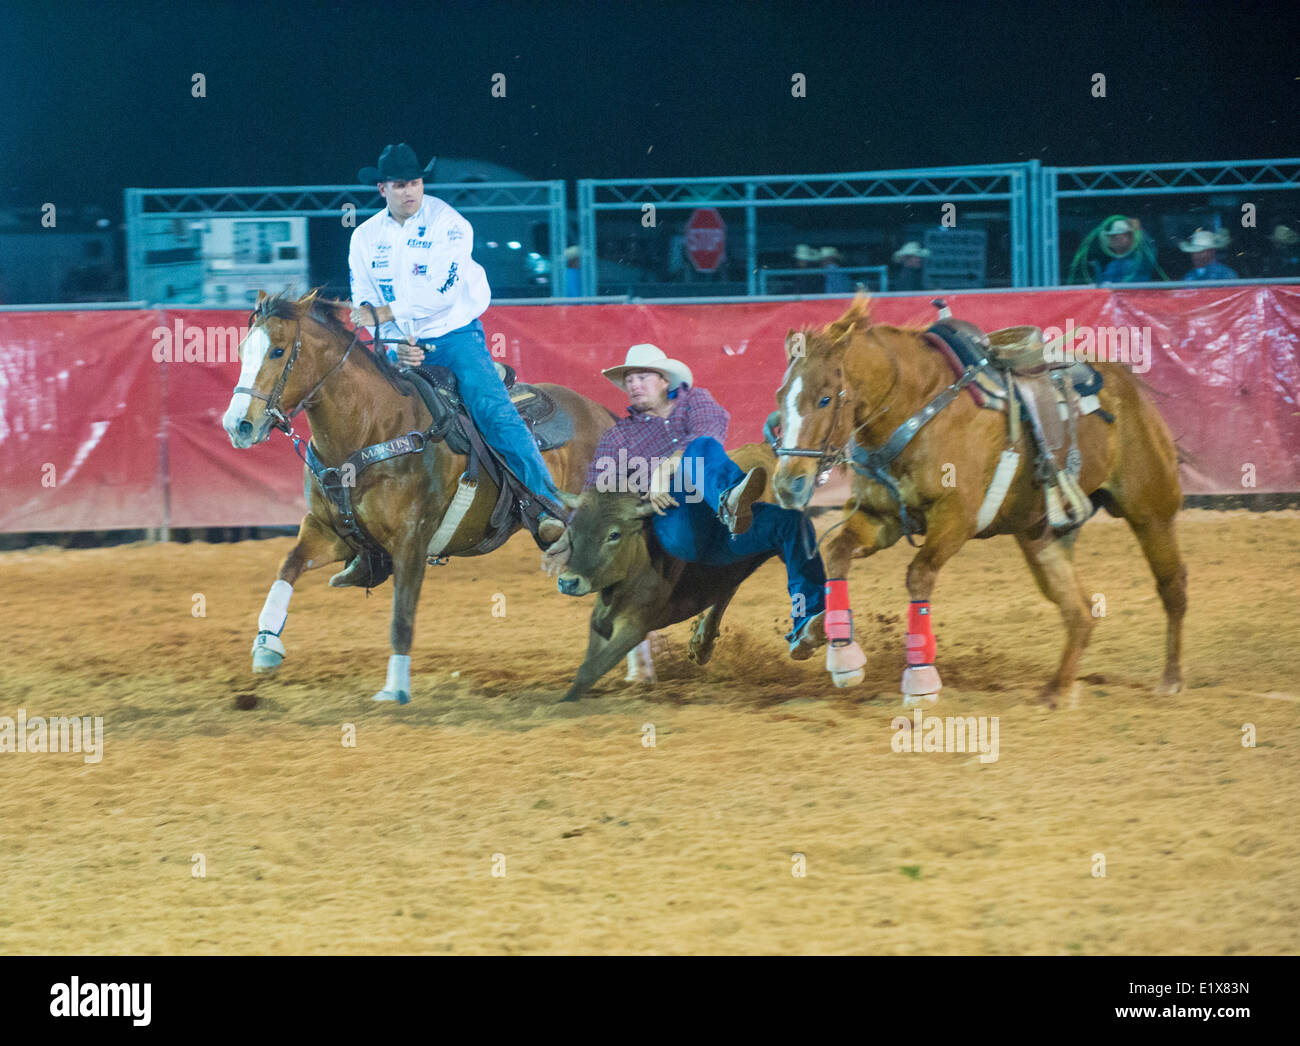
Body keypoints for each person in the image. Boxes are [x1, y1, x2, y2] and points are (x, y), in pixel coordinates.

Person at [343, 143, 566, 586]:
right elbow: (362, 303)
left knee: (492, 409)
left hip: (454, 336)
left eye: (416, 182)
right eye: (401, 185)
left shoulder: (450, 225)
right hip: (400, 344)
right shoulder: (364, 238)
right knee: (364, 418)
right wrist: (391, 343)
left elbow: (442, 294)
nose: (411, 192)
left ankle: (548, 505)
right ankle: (369, 537)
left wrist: (385, 316)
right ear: (382, 188)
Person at [546, 343, 830, 656]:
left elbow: (713, 428)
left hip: (722, 530)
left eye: (642, 376)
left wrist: (667, 465)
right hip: (672, 529)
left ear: (665, 381)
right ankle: (730, 500)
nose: (634, 384)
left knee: (794, 525)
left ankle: (807, 621)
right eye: (629, 380)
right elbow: (598, 497)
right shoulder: (618, 438)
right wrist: (571, 534)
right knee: (699, 451)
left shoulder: (696, 404)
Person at [1095, 218, 1155, 283]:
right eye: (1113, 236)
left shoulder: (1139, 261)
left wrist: (1139, 231)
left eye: (1123, 235)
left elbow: (1150, 249)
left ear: (1131, 238)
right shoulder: (1112, 265)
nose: (1117, 238)